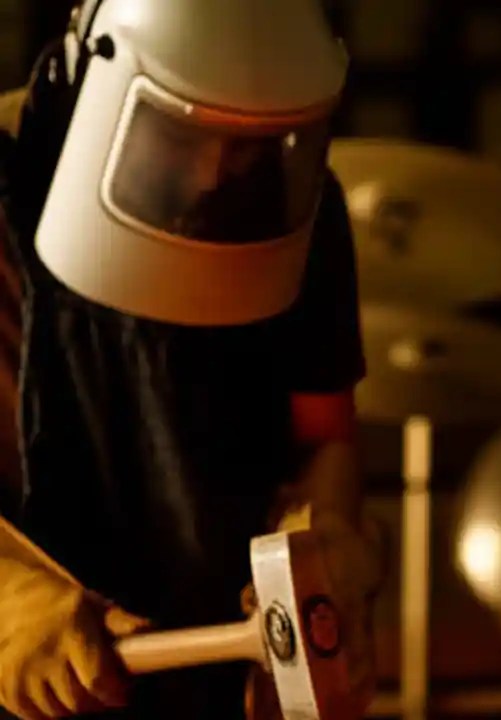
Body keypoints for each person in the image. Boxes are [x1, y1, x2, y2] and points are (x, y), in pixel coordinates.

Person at [0, 1, 382, 718]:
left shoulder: (295, 203)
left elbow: (322, 436)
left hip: (208, 675)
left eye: (244, 146)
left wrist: (326, 539)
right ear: (97, 73)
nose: (213, 176)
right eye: (177, 136)